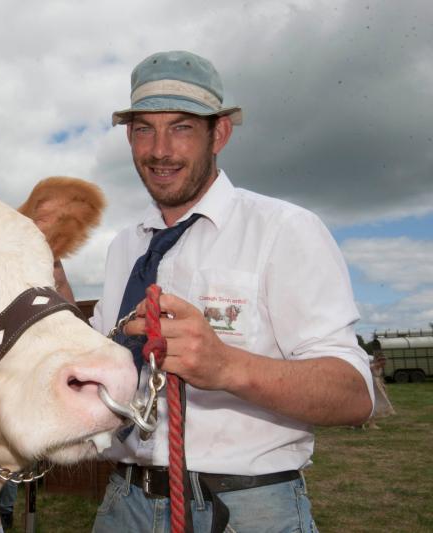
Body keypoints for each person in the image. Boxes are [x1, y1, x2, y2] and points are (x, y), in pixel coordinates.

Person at [88, 51, 375, 532]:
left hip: (249, 510)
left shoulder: (285, 230)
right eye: (143, 129)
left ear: (218, 134)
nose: (159, 149)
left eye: (180, 127)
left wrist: (227, 367)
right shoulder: (125, 246)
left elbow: (353, 395)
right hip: (124, 502)